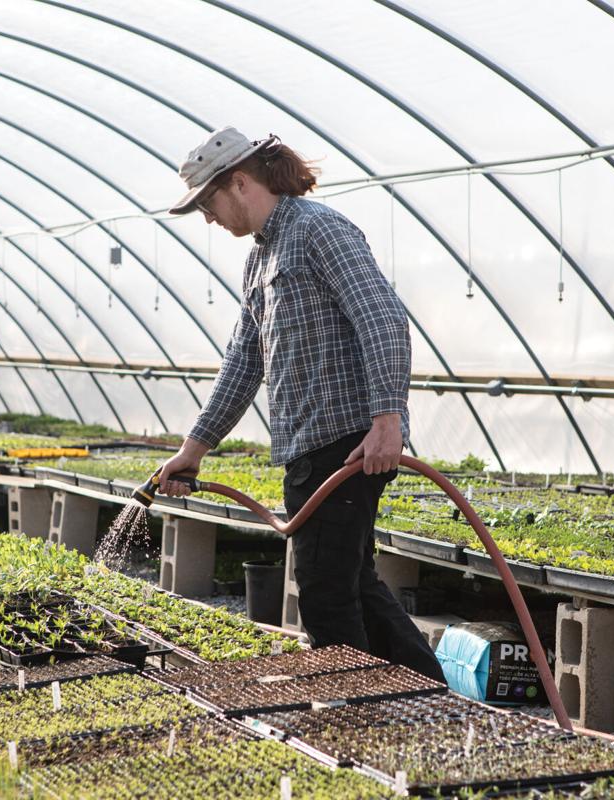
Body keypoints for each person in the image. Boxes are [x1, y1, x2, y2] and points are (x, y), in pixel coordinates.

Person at [158, 126, 442, 681]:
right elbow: (244, 362)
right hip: (308, 451)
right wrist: (193, 449)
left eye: (208, 204)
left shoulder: (318, 230)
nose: (209, 219)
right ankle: (430, 698)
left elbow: (383, 319)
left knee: (325, 594)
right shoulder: (259, 260)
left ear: (240, 183)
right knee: (352, 583)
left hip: (348, 445)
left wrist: (387, 420)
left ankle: (359, 708)